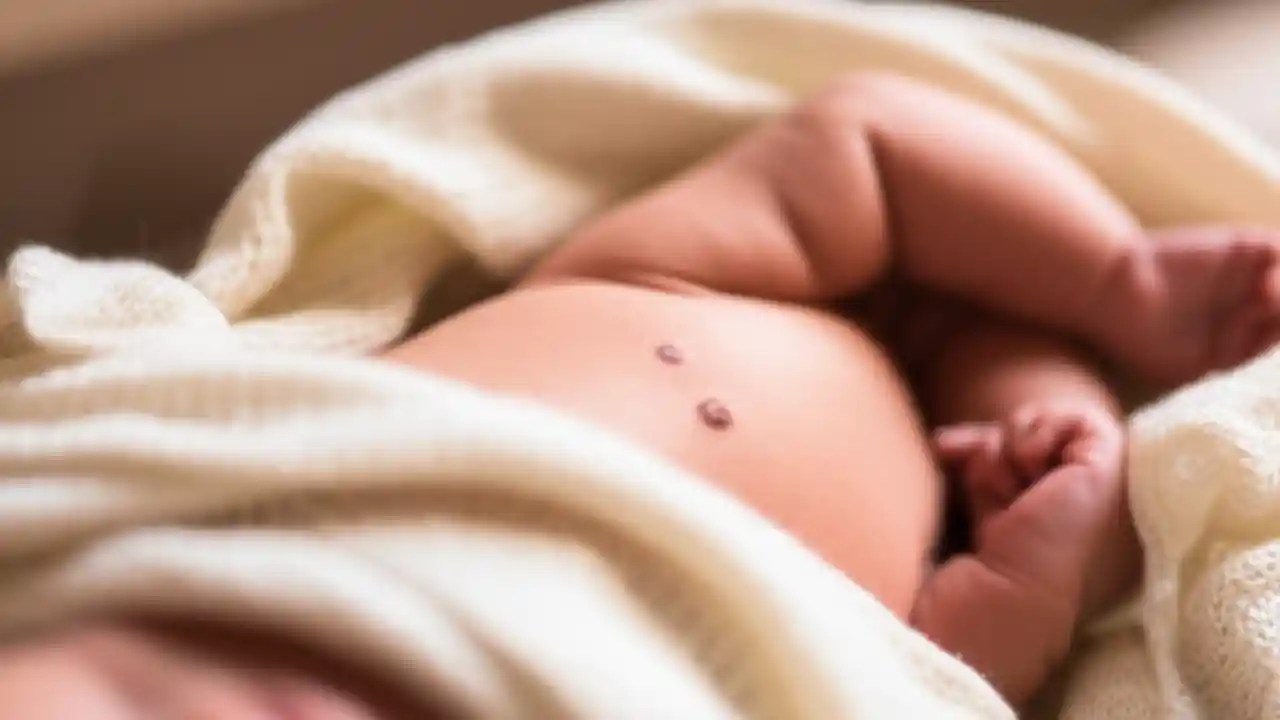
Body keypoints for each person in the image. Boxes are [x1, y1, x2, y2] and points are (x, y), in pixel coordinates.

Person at [2, 73, 1277, 717]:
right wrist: (1118, 277)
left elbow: (908, 680)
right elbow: (864, 133)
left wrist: (1034, 584)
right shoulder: (644, 272)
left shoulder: (913, 578)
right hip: (305, 545)